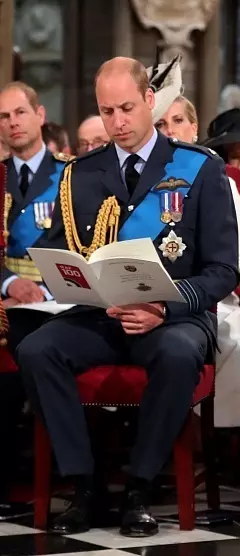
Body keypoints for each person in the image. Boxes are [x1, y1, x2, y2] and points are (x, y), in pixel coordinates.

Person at [16, 57, 239, 537]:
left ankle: (139, 488)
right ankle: (85, 484)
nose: (117, 122)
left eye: (126, 108)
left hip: (174, 317)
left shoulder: (200, 168)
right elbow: (57, 251)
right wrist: (72, 280)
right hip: (102, 313)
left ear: (150, 102)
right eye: (106, 110)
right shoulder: (81, 174)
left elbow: (223, 272)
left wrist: (163, 306)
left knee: (178, 355)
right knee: (37, 348)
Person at [148, 58, 240, 431]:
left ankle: (209, 447)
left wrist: (175, 298)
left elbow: (236, 263)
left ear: (194, 128)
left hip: (207, 303)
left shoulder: (216, 179)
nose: (171, 130)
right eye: (161, 124)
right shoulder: (138, 182)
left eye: (179, 121)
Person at [0, 81, 72, 518]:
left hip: (59, 301)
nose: (13, 123)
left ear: (40, 115)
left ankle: (66, 473)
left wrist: (44, 290)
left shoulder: (72, 175)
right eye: (4, 117)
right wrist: (9, 286)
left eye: (20, 113)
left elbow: (87, 245)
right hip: (6, 303)